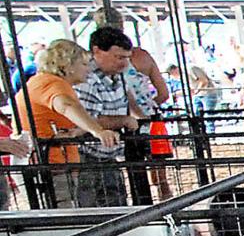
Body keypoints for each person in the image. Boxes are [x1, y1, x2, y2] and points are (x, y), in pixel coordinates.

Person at [13, 39, 121, 201]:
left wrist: (79, 130)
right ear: (68, 66)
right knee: (61, 216)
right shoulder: (53, 84)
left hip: (48, 163)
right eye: (84, 64)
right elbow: (65, 105)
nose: (88, 70)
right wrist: (97, 131)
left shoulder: (40, 82)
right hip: (51, 166)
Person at [73, 27, 149, 207]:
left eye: (127, 58)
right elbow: (87, 120)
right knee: (91, 211)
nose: (124, 63)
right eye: (119, 57)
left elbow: (128, 98)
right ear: (97, 51)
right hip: (87, 157)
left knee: (116, 206)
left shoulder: (118, 75)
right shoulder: (86, 79)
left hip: (109, 154)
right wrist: (124, 120)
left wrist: (144, 118)